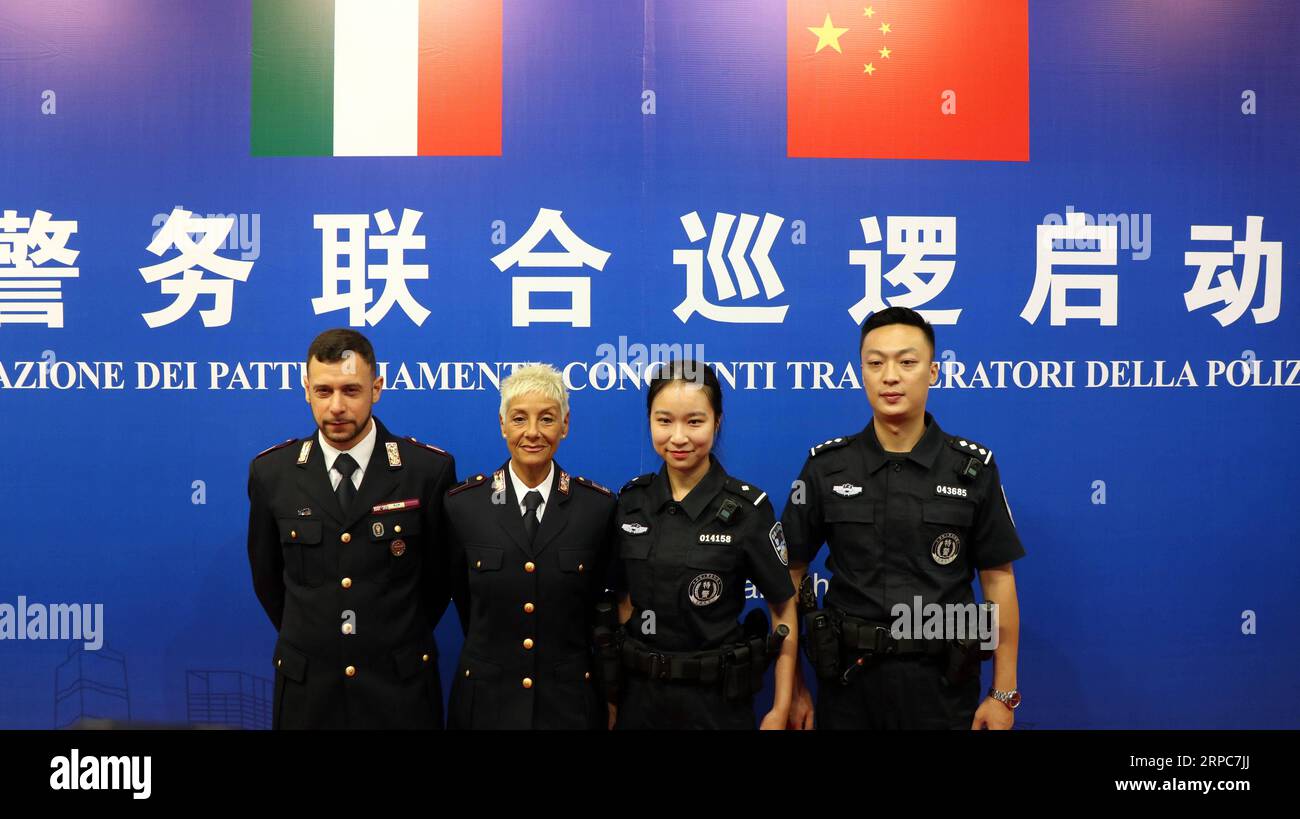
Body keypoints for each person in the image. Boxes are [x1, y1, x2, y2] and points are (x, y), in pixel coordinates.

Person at [781, 306, 1024, 730]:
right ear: (861, 372)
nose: (890, 376)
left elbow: (998, 580)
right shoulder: (827, 467)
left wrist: (1003, 694)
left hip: (944, 689)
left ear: (932, 371)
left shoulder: (972, 468)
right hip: (848, 686)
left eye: (906, 362)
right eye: (876, 363)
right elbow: (791, 573)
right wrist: (796, 687)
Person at [246, 328, 457, 729]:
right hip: (309, 689)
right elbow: (268, 580)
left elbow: (439, 582)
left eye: (351, 391)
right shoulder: (272, 474)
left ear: (377, 388)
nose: (337, 406)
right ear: (306, 389)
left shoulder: (426, 471)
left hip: (398, 688)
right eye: (324, 392)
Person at [609, 360, 798, 730]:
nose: (678, 437)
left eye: (694, 422)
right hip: (640, 703)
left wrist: (780, 706)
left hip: (716, 706)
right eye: (664, 421)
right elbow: (624, 601)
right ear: (650, 420)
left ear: (717, 422)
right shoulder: (632, 501)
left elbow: (783, 609)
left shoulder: (748, 509)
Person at [444, 364, 616, 729]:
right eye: (519, 419)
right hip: (486, 704)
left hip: (569, 706)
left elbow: (600, 605)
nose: (533, 433)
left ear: (565, 425)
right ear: (502, 424)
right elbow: (460, 599)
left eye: (547, 419)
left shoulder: (597, 508)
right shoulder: (463, 506)